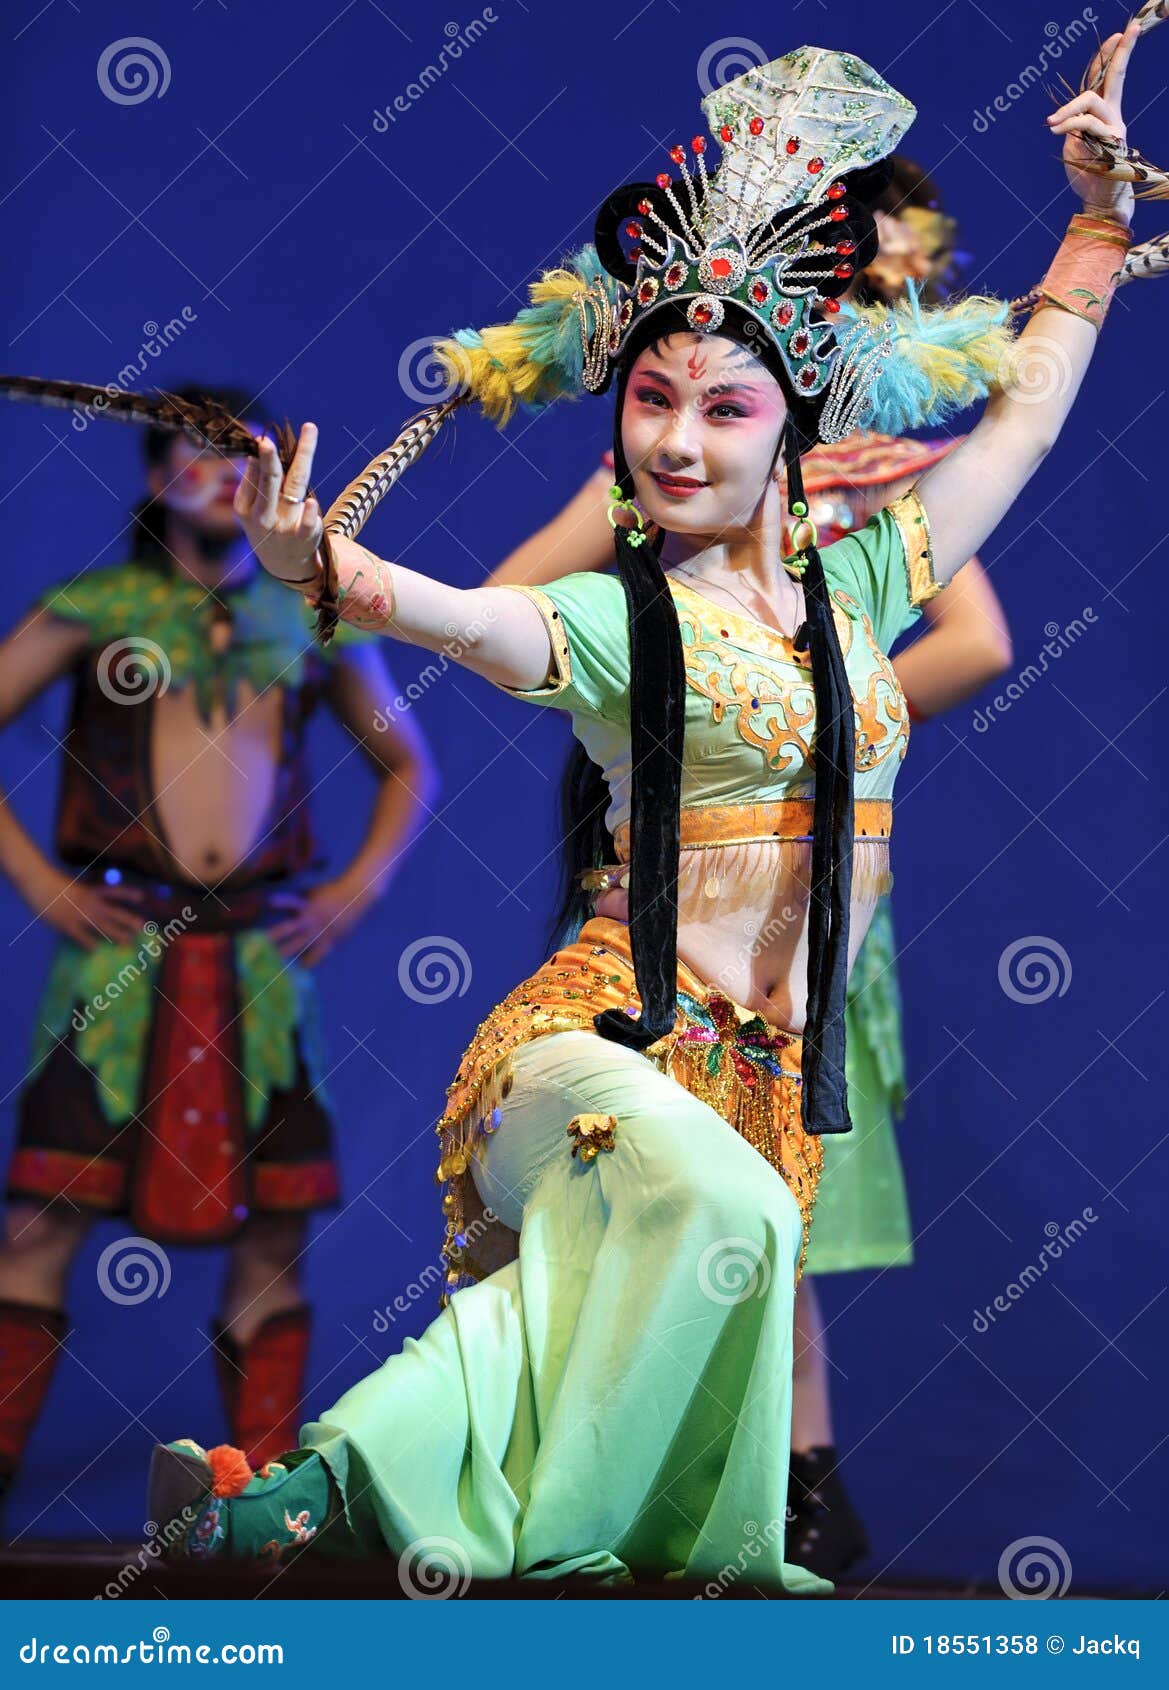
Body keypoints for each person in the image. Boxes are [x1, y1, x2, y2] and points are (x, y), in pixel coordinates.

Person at [148, 31, 1141, 1592]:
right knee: (710, 1204)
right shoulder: (622, 622)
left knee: (590, 1318)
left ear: (790, 431)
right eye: (652, 401)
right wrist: (317, 571)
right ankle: (343, 1504)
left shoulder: (868, 584)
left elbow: (1019, 418)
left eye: (724, 410)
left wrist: (1091, 218)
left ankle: (306, 1512)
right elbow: (464, 617)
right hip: (596, 1042)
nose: (675, 439)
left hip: (763, 1079)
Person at [486, 154, 1014, 1577]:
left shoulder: (858, 487)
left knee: (780, 1197)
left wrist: (824, 694)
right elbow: (510, 605)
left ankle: (789, 1499)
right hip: (673, 868)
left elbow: (977, 639)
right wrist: (703, 642)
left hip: (816, 884)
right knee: (688, 1181)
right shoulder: (674, 461)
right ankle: (659, 1493)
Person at [0, 386, 436, 1512]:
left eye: (237, 458)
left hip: (259, 972)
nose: (216, 476)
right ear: (154, 479)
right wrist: (39, 880)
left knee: (274, 1234)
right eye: (191, 456)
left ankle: (265, 1510)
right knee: (41, 1220)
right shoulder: (93, 607)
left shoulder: (309, 613)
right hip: (112, 968)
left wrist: (356, 885)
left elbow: (408, 764)